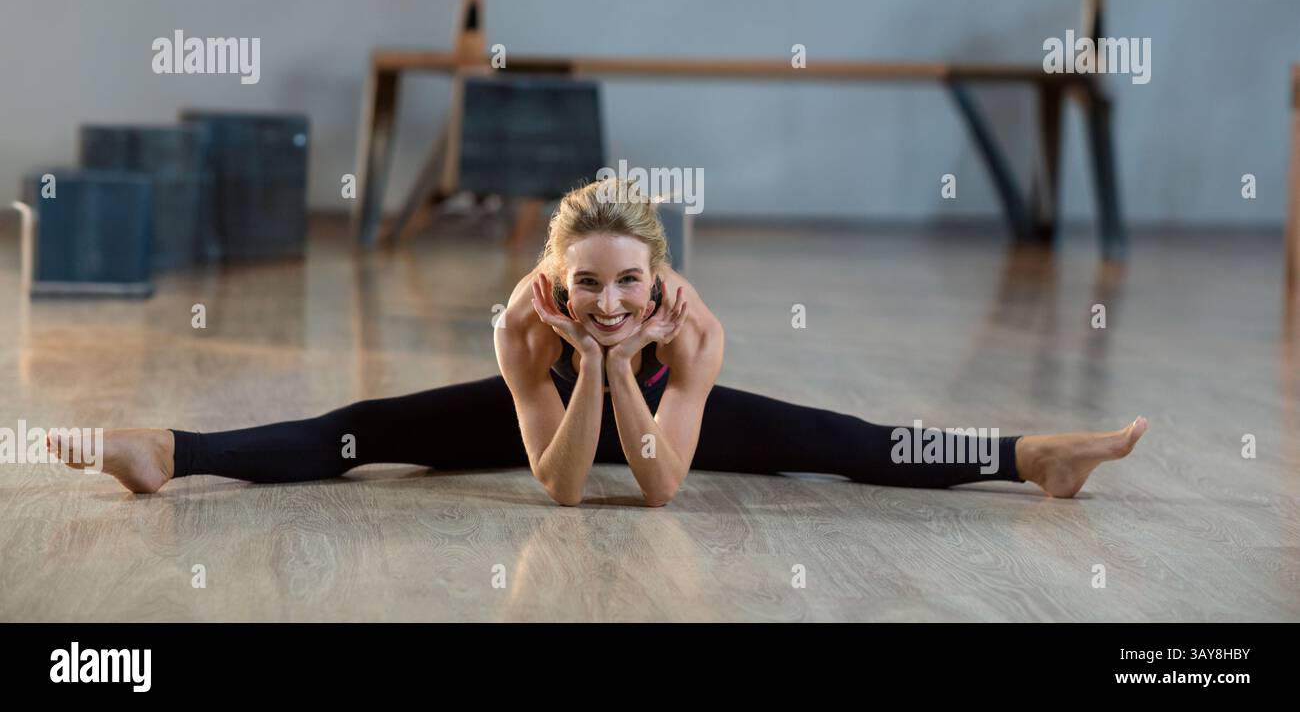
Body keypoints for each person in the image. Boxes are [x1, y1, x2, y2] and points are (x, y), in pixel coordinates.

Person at [50, 177, 1147, 506]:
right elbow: (568, 489)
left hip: (664, 414)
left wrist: (632, 368)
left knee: (847, 438)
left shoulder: (694, 330)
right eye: (590, 284)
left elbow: (658, 481)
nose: (612, 301)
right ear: (554, 281)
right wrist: (594, 367)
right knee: (358, 432)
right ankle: (167, 449)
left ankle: (1031, 454)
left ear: (659, 278)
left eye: (630, 283)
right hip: (558, 410)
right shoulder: (524, 327)